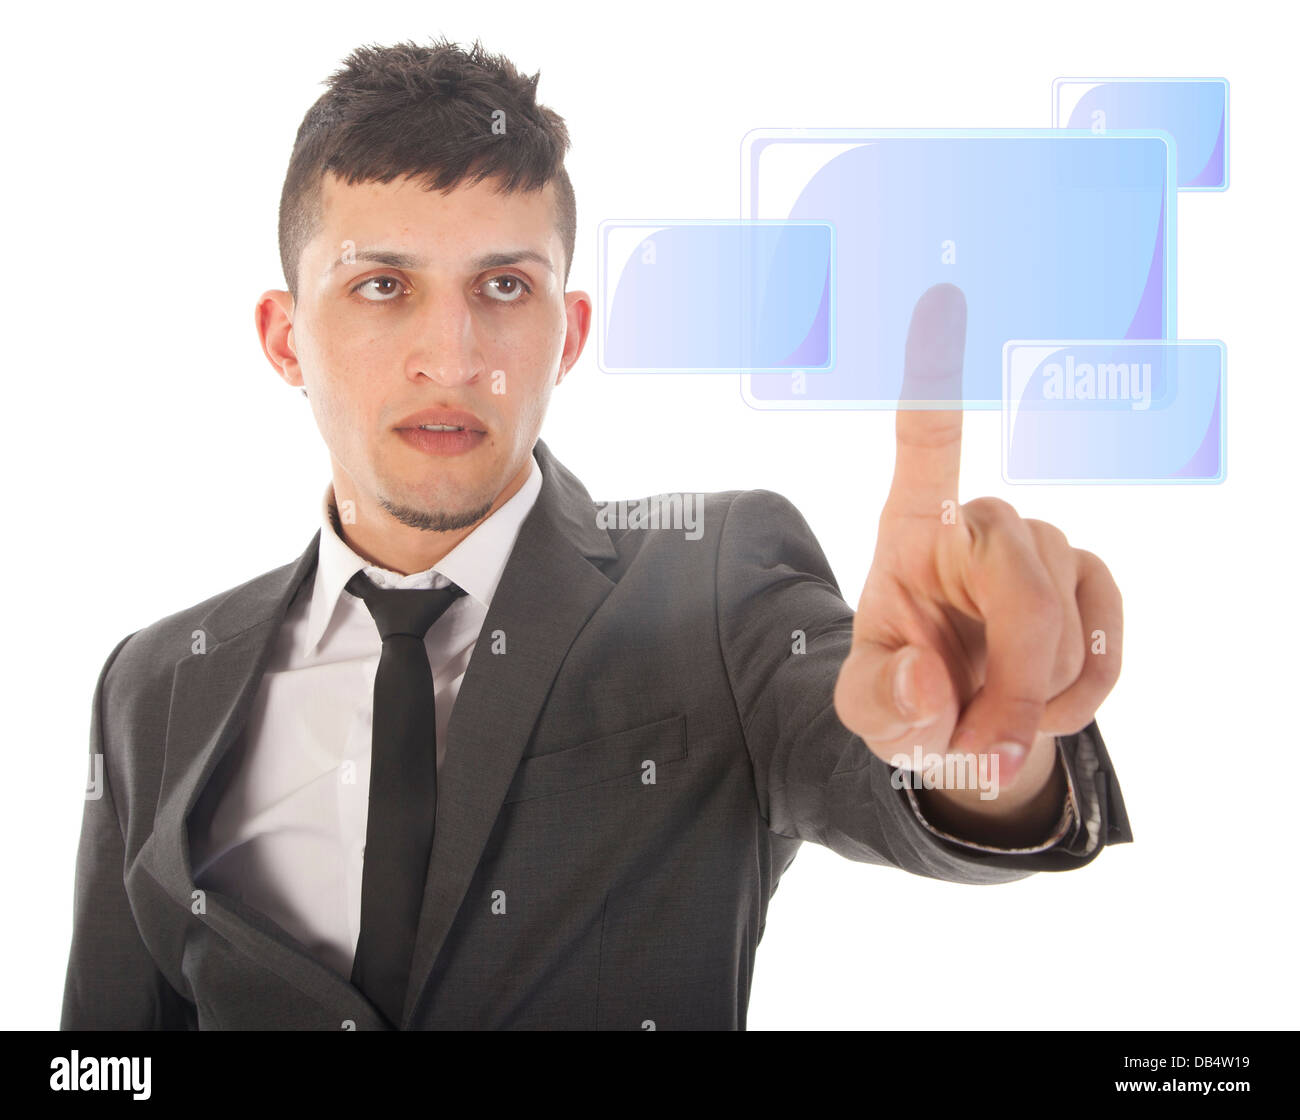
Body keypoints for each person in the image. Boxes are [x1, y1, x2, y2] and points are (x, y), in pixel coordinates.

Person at [60, 36, 1131, 1031]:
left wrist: (972, 733)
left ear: (566, 334)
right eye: (382, 286)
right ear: (284, 337)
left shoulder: (715, 583)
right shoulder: (156, 685)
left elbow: (876, 757)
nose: (453, 357)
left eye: (504, 286)